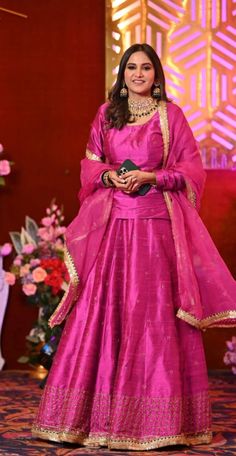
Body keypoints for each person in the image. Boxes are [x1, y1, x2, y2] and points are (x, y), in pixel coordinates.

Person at [32, 43, 236, 451]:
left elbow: (191, 171)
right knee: (106, 314)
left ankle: (157, 422)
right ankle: (92, 419)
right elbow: (90, 163)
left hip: (156, 229)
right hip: (113, 227)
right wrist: (110, 178)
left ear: (156, 75)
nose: (138, 74)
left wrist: (151, 178)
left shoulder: (171, 116)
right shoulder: (107, 115)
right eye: (131, 68)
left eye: (146, 68)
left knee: (153, 317)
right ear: (122, 74)